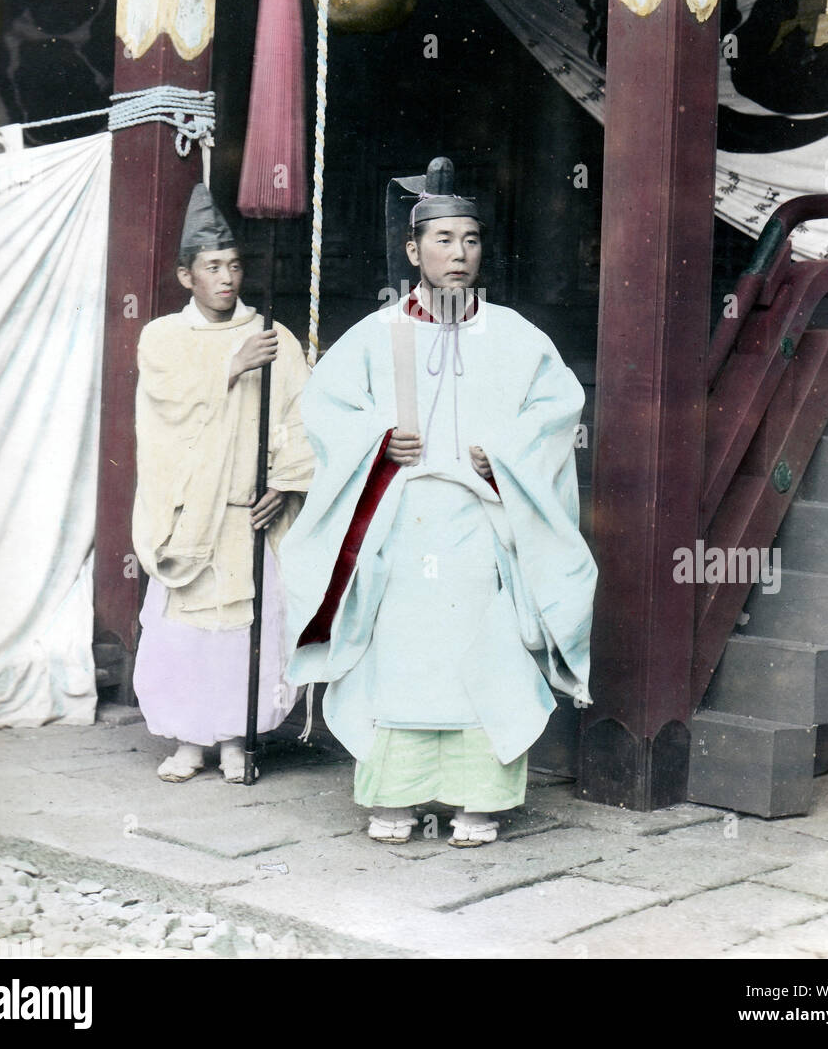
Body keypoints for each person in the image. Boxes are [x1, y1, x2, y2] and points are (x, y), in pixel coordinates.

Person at [280, 159, 596, 845]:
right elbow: (326, 409)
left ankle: (477, 801)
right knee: (401, 661)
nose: (459, 254)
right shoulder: (377, 333)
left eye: (472, 240)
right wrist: (377, 440)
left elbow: (555, 409)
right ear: (413, 250)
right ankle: (396, 797)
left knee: (484, 658)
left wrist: (507, 454)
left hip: (482, 526)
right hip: (403, 522)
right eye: (445, 240)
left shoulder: (516, 336)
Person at [132, 184, 313, 782]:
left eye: (234, 266)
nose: (227, 278)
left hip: (245, 511)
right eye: (212, 268)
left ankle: (238, 738)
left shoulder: (274, 339)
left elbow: (299, 419)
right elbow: (167, 412)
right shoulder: (162, 338)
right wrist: (231, 366)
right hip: (190, 512)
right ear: (187, 276)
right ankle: (188, 740)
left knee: (242, 632)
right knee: (187, 631)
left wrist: (284, 485)